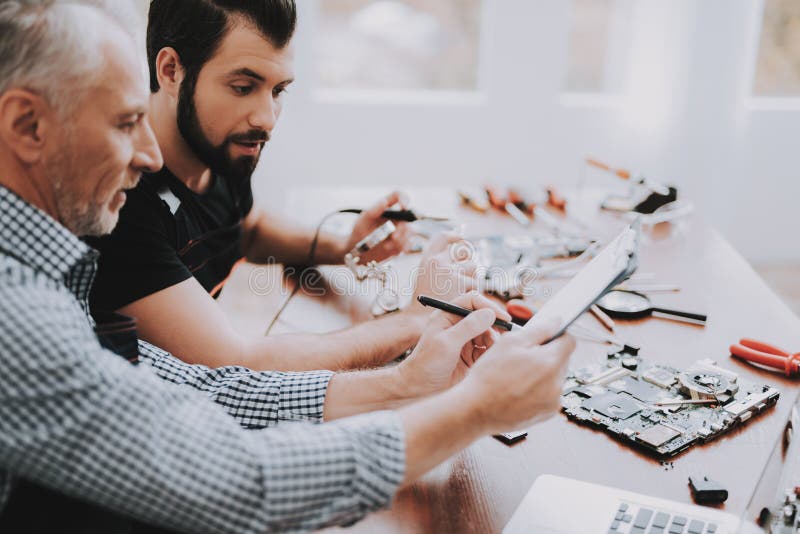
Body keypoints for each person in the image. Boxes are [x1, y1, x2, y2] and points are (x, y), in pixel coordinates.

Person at [0, 1, 574, 532]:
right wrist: (471, 407)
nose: (148, 154)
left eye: (278, 90)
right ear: (28, 127)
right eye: (125, 124)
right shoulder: (18, 312)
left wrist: (404, 380)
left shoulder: (53, 266)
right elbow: (240, 481)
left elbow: (205, 387)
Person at [86, 0, 469, 372]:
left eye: (278, 90)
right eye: (242, 87)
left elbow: (246, 228)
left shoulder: (216, 148)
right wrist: (412, 321)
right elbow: (237, 363)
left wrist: (346, 246)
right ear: (171, 71)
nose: (266, 119)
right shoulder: (120, 200)